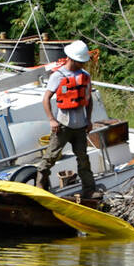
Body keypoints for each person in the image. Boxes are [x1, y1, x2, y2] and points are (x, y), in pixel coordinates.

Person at [37, 40, 96, 196]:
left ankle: (89, 190)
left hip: (80, 126)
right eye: (80, 62)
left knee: (83, 159)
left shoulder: (85, 76)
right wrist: (52, 119)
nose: (82, 65)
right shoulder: (58, 76)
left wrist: (89, 120)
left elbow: (89, 100)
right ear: (71, 58)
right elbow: (46, 99)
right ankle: (40, 185)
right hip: (62, 125)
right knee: (50, 156)